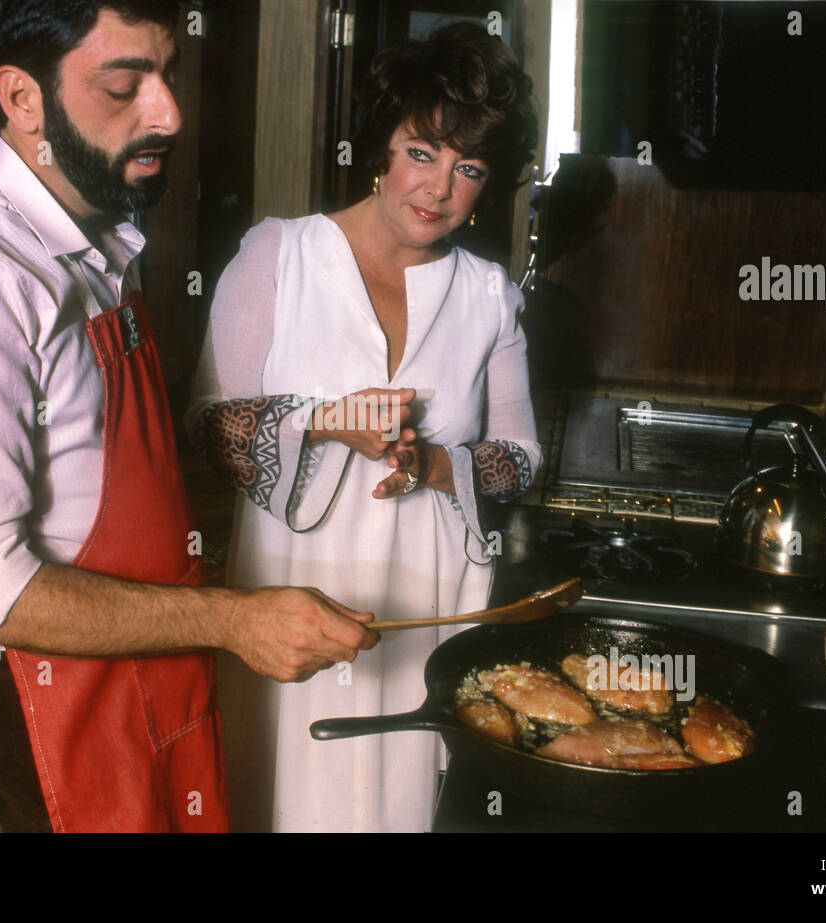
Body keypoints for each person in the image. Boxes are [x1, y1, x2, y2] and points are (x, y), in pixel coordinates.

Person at [0, 0, 377, 834]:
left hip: (146, 654)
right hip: (52, 693)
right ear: (22, 98)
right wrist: (236, 618)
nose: (169, 114)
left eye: (167, 77)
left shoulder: (92, 244)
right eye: (124, 86)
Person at [188, 21, 541, 832]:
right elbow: (208, 429)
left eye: (469, 169)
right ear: (381, 148)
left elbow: (521, 458)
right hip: (289, 590)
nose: (438, 188)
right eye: (422, 152)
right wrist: (323, 424)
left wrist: (437, 466)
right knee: (280, 793)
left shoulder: (490, 296)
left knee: (393, 804)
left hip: (422, 599)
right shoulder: (277, 256)